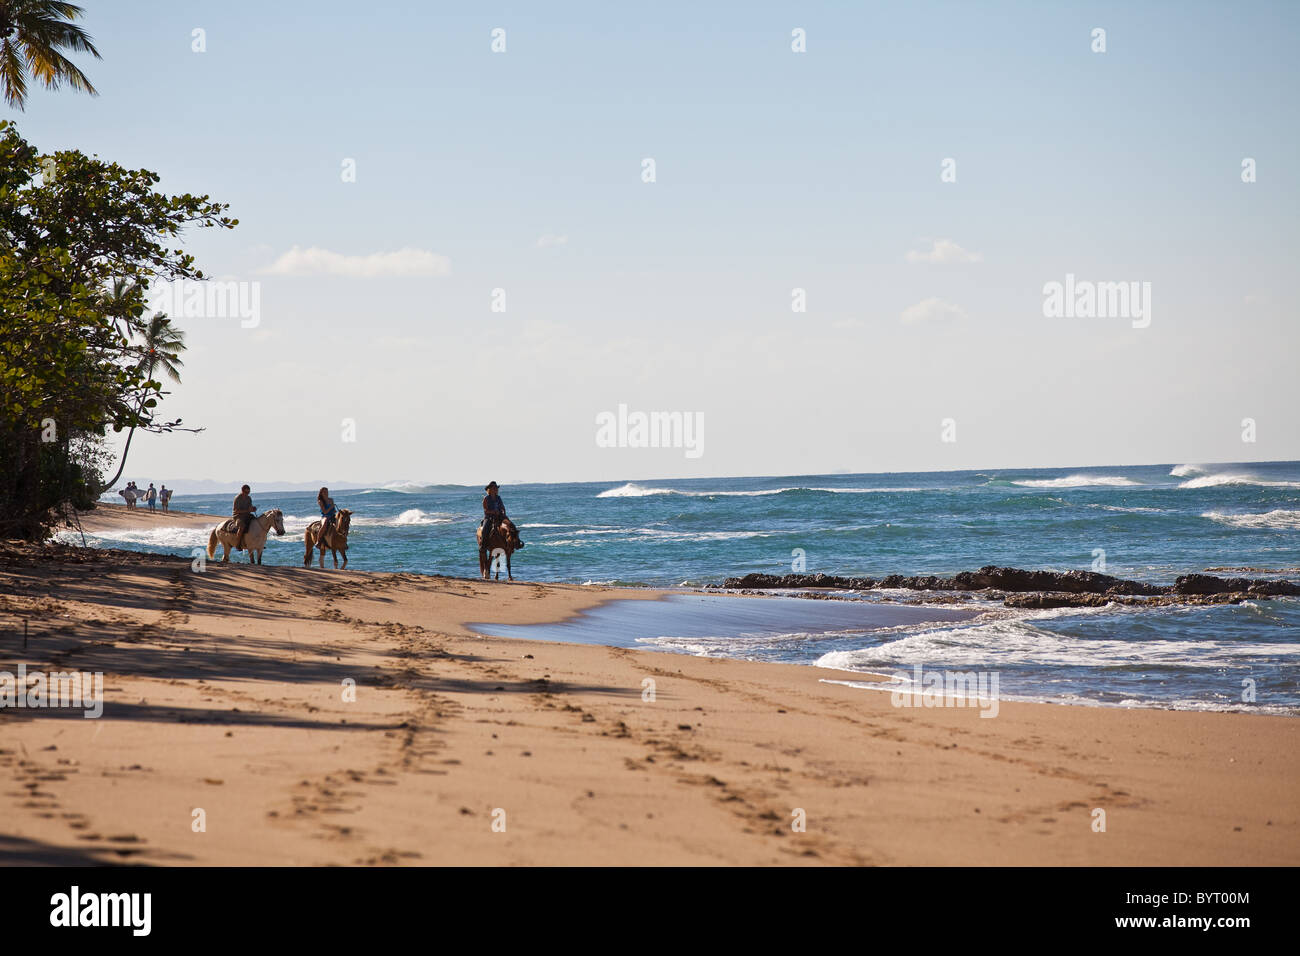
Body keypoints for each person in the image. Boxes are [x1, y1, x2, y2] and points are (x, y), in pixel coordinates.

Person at [480, 481, 523, 550]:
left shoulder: (498, 498)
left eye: (496, 488)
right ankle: (483, 545)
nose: (495, 489)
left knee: (511, 525)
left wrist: (504, 514)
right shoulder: (486, 498)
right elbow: (486, 510)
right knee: (485, 529)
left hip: (500, 515)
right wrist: (494, 512)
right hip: (489, 517)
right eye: (494, 488)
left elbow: (503, 507)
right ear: (489, 489)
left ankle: (517, 542)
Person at [232, 484, 256, 551]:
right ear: (242, 491)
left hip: (247, 515)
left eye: (248, 492)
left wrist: (253, 509)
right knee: (242, 526)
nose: (247, 494)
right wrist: (247, 510)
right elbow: (236, 510)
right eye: (246, 492)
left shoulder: (249, 498)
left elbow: (250, 508)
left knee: (257, 522)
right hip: (238, 516)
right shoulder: (237, 498)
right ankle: (237, 544)